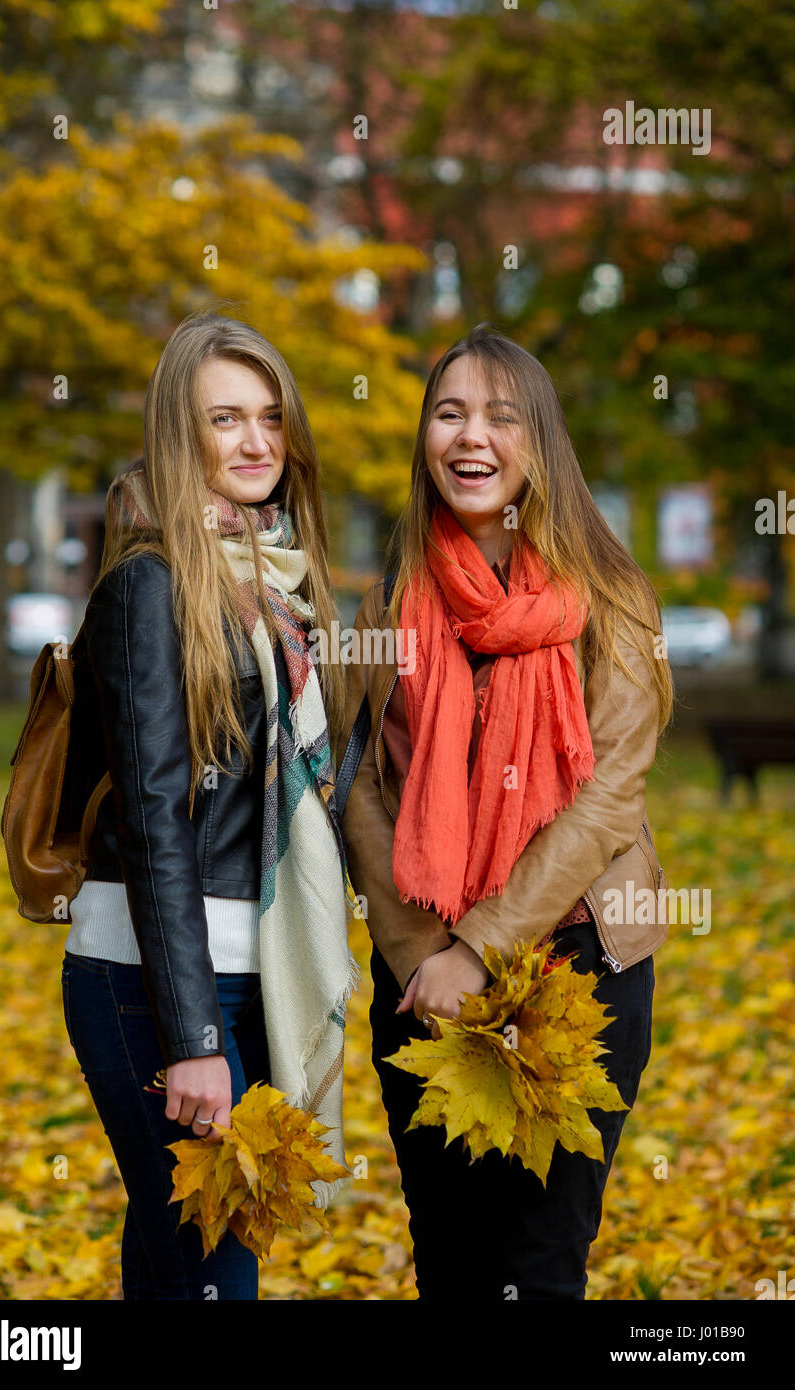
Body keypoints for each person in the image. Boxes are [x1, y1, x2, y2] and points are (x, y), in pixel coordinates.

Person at [336, 323, 673, 1301]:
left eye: (499, 415)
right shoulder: (387, 602)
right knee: (450, 1258)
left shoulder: (611, 600)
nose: (469, 435)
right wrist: (418, 953)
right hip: (419, 971)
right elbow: (355, 783)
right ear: (424, 440)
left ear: (540, 445)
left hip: (577, 967)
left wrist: (476, 948)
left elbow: (609, 797)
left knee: (536, 1263)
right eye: (448, 413)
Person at [59, 311, 355, 1301]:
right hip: (157, 979)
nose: (257, 441)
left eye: (270, 417)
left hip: (254, 966)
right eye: (224, 418)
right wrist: (192, 1036)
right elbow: (154, 820)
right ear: (176, 437)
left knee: (179, 1260)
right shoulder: (151, 587)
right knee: (216, 1265)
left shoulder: (284, 592)